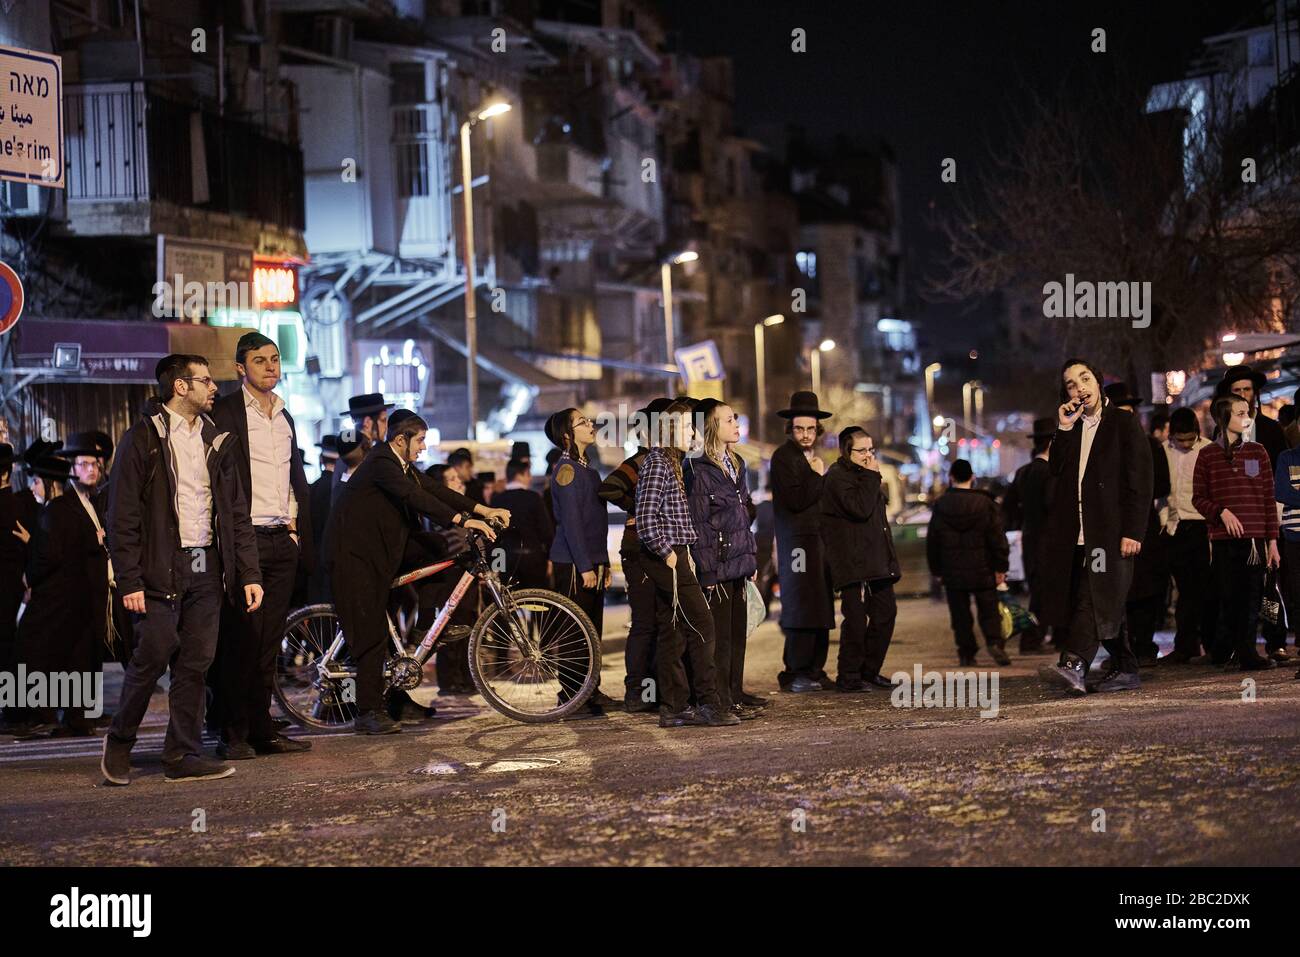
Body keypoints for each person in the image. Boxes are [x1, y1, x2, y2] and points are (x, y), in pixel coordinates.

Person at [101, 354, 265, 785]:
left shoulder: (216, 438)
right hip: (160, 567)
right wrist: (130, 578)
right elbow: (121, 515)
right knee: (153, 654)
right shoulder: (142, 438)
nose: (215, 388)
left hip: (206, 563)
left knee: (196, 661)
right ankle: (120, 741)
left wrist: (248, 573)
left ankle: (182, 755)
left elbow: (236, 513)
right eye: (206, 381)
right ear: (180, 386)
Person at [323, 412, 505, 734]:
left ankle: (422, 634)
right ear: (400, 439)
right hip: (358, 557)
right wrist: (462, 522)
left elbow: (436, 490)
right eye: (419, 440)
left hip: (388, 549)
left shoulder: (402, 465)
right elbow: (415, 497)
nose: (423, 447)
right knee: (372, 635)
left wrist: (482, 510)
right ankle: (367, 713)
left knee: (444, 550)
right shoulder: (381, 461)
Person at [208, 332, 315, 760]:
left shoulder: (285, 416)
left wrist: (293, 528)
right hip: (244, 539)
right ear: (240, 368)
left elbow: (293, 476)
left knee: (269, 643)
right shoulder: (227, 412)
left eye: (274, 359)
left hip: (280, 540)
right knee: (241, 640)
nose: (270, 367)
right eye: (259, 361)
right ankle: (231, 733)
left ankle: (261, 728)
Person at [1037, 358, 1153, 695]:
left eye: (1084, 379)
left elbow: (1140, 481)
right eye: (1071, 384)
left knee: (1094, 597)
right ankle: (1127, 667)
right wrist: (1063, 428)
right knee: (1103, 599)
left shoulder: (1123, 423)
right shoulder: (1071, 428)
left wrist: (1134, 531)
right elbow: (1055, 470)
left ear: (1098, 382)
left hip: (1111, 533)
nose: (1079, 388)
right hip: (1077, 535)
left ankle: (1073, 665)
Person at [636, 398, 738, 727]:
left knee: (674, 631)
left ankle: (675, 706)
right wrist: (668, 554)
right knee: (703, 625)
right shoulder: (657, 463)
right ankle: (709, 703)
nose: (692, 432)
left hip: (678, 553)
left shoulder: (672, 463)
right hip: (666, 555)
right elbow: (646, 519)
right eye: (685, 427)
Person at [12, 455, 103, 736]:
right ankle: (77, 718)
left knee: (33, 649)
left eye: (38, 482)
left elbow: (49, 556)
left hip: (55, 598)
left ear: (50, 483)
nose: (34, 488)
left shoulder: (54, 511)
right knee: (75, 657)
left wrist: (29, 574)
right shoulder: (73, 509)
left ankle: (38, 715)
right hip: (78, 599)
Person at [685, 398, 763, 720]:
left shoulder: (737, 463)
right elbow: (700, 523)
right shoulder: (698, 468)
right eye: (729, 419)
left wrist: (751, 558)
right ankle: (716, 701)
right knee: (718, 640)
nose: (736, 424)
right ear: (711, 426)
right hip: (716, 565)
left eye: (735, 418)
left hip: (738, 562)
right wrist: (708, 571)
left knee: (735, 636)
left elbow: (743, 515)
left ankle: (733, 697)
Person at [1193, 394, 1280, 671]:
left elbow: (1268, 498)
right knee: (1228, 597)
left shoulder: (1258, 451)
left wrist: (1273, 542)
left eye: (1248, 412)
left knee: (1252, 598)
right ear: (1224, 417)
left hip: (1254, 541)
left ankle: (1247, 653)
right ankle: (1225, 648)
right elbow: (1198, 498)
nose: (1247, 417)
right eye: (1240, 412)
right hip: (1222, 541)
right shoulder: (1207, 454)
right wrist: (1221, 512)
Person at [545, 407, 622, 716]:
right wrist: (585, 566)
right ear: (567, 435)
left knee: (592, 630)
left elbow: (595, 523)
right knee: (575, 632)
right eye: (582, 422)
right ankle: (573, 694)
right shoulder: (567, 469)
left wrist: (601, 564)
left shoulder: (586, 467)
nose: (590, 425)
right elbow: (573, 523)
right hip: (573, 562)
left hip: (591, 561)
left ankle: (591, 690)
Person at [598, 397, 671, 711]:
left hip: (658, 549)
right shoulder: (640, 461)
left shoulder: (672, 461)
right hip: (637, 549)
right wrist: (637, 508)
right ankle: (637, 693)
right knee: (644, 623)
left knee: (661, 621)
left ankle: (655, 691)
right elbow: (608, 488)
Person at [1215, 365, 1291, 661]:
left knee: (1269, 585)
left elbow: (1279, 477)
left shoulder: (1271, 430)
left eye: (1247, 390)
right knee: (1236, 589)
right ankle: (1235, 644)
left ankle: (1275, 640)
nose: (1244, 396)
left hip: (1267, 519)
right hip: (1233, 526)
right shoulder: (1219, 437)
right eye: (1237, 391)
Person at [821, 426, 901, 690]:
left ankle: (869, 670)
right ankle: (849, 675)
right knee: (855, 619)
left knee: (885, 613)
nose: (868, 455)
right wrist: (871, 475)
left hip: (876, 558)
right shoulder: (837, 477)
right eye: (862, 450)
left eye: (871, 450)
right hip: (850, 559)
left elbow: (878, 516)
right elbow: (860, 509)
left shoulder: (868, 476)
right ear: (847, 450)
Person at [769, 391, 836, 693]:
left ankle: (815, 669)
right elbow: (796, 500)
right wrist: (816, 475)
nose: (806, 435)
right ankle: (795, 671)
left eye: (810, 429)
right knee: (800, 604)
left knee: (820, 604)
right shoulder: (784, 457)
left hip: (817, 541)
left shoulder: (813, 459)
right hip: (796, 543)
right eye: (799, 429)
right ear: (790, 429)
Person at [1103, 383, 1172, 668]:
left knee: (1145, 589)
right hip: (1113, 527)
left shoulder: (1149, 445)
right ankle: (1124, 651)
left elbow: (1162, 485)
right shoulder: (1103, 449)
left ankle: (1143, 645)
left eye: (1129, 412)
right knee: (1120, 592)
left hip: (1143, 525)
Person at [927, 458, 1010, 666]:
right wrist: (1001, 566)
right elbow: (997, 537)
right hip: (983, 567)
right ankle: (994, 643)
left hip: (952, 569)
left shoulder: (941, 504)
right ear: (972, 478)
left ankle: (966, 653)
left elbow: (933, 540)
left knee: (960, 614)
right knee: (989, 610)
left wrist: (936, 569)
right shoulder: (985, 503)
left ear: (951, 477)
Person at [1161, 407, 1214, 663]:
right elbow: (1161, 491)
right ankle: (1187, 644)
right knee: (1184, 589)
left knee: (1204, 588)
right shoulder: (1164, 451)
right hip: (1175, 527)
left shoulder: (1208, 450)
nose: (1184, 444)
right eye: (1179, 439)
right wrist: (1164, 521)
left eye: (1189, 439)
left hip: (1202, 525)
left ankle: (1208, 643)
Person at [1002, 418, 1054, 653]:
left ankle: (1037, 636)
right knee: (1045, 592)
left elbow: (1009, 507)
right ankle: (1033, 638)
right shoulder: (1050, 472)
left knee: (1038, 590)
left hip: (1029, 537)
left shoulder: (1023, 473)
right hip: (1048, 540)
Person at [491, 458, 554, 590]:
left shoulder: (497, 499)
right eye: (528, 474)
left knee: (506, 603)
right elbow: (546, 531)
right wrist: (549, 558)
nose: (530, 478)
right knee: (538, 602)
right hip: (533, 557)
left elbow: (493, 537)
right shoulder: (534, 497)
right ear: (522, 474)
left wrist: (496, 567)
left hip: (505, 558)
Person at [0, 443, 27, 731]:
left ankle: (13, 711)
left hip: (7, 591)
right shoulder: (20, 505)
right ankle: (14, 709)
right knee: (12, 649)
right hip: (17, 588)